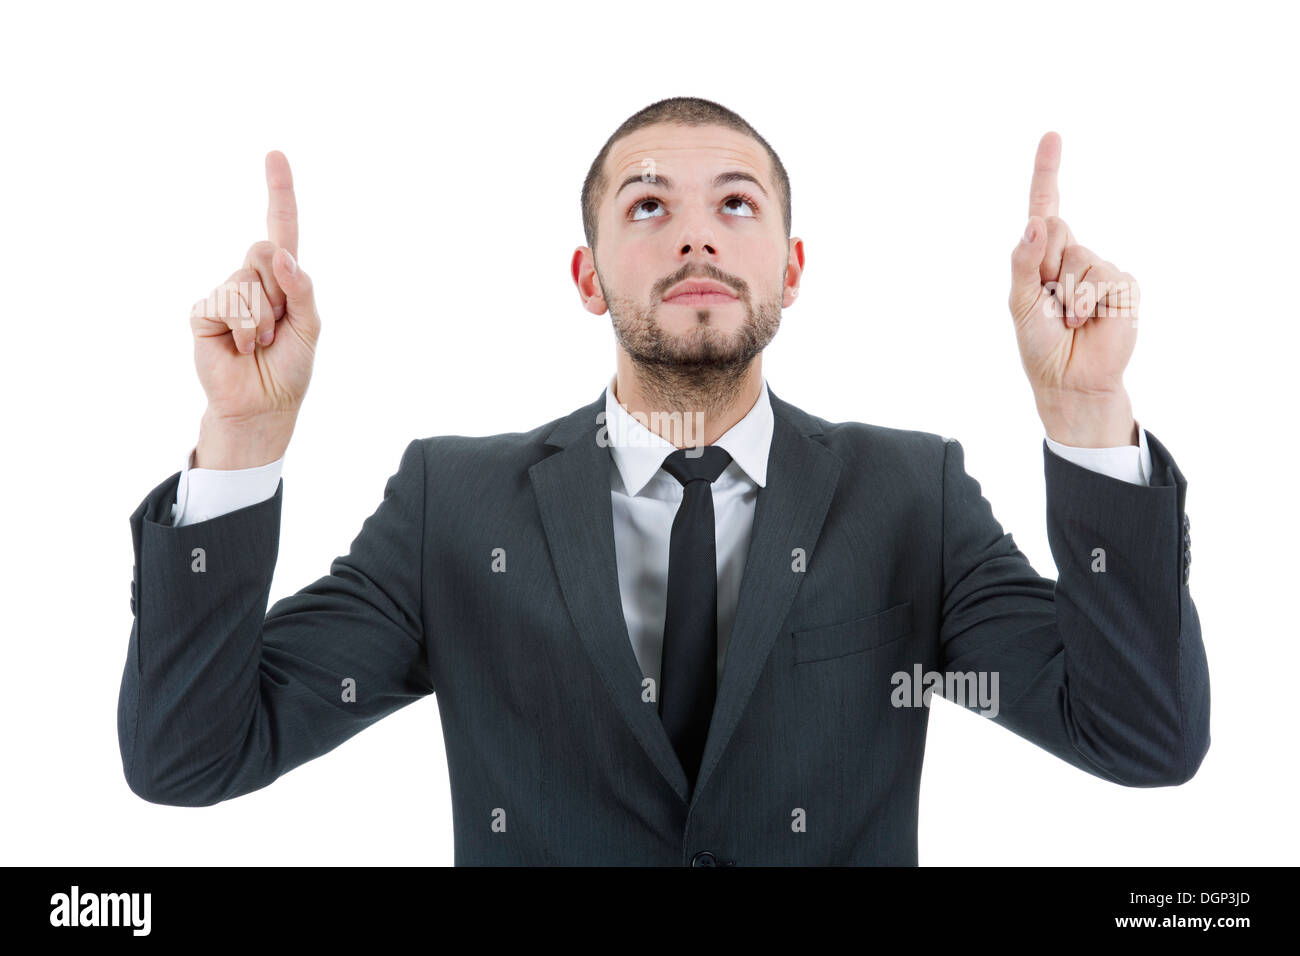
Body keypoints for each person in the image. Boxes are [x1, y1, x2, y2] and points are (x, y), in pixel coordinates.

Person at [118, 96, 1208, 866]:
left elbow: (1140, 734)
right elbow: (192, 752)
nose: (694, 229)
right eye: (647, 206)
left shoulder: (910, 495)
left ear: (790, 269)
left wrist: (1084, 414)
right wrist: (242, 431)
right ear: (588, 277)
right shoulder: (452, 504)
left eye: (736, 204)